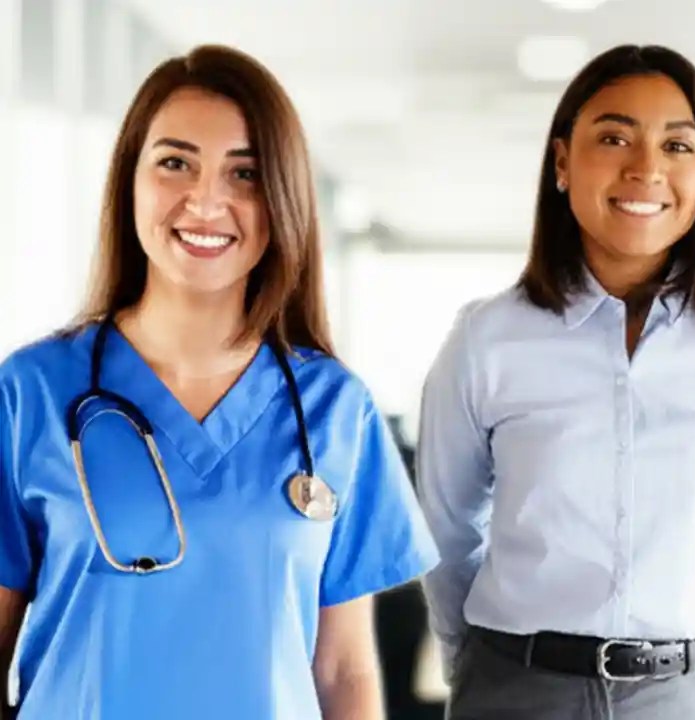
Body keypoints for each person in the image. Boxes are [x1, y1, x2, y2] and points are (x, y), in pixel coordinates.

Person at [0, 45, 437, 719]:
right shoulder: (31, 392)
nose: (206, 200)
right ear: (130, 180)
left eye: (246, 173)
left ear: (283, 197)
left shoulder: (333, 408)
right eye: (175, 162)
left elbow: (344, 670)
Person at [417, 44, 695, 719]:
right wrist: (476, 666)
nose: (646, 167)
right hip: (518, 689)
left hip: (694, 697)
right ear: (563, 163)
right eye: (614, 136)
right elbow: (444, 529)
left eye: (678, 145)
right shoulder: (487, 338)